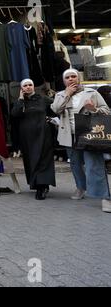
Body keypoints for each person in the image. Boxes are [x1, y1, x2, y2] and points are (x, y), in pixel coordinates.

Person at [51, 69, 111, 213]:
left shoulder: (92, 93)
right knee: (75, 164)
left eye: (74, 76)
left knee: (94, 165)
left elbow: (107, 111)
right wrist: (67, 94)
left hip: (89, 135)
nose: (71, 79)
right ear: (64, 80)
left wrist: (94, 109)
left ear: (79, 78)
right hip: (69, 135)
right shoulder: (60, 95)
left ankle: (105, 197)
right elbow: (56, 109)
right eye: (67, 77)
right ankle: (81, 187)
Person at [11, 79, 56, 200]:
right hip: (27, 136)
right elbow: (15, 114)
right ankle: (36, 183)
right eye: (25, 85)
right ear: (21, 88)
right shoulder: (20, 102)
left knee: (43, 158)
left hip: (43, 134)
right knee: (31, 159)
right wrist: (20, 99)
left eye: (30, 84)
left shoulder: (43, 99)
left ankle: (43, 186)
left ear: (34, 86)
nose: (28, 87)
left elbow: (56, 108)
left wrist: (51, 120)